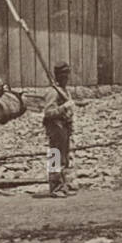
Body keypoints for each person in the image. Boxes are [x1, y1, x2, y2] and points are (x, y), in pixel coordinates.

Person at [41, 62, 75, 196]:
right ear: (58, 76)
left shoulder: (64, 91)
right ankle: (55, 188)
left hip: (64, 126)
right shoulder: (52, 92)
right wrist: (65, 107)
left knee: (64, 157)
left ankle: (63, 185)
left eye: (67, 74)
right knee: (55, 155)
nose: (66, 77)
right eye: (63, 75)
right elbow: (48, 113)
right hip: (55, 127)